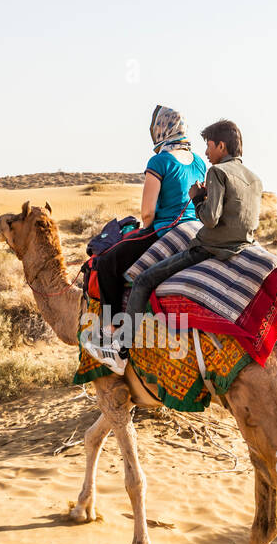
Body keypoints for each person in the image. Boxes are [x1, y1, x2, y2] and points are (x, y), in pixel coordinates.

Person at [86, 105, 205, 373]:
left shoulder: (159, 162)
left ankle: (111, 335)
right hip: (195, 229)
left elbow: (148, 212)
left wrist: (144, 230)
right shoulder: (199, 161)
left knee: (107, 262)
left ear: (161, 129)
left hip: (165, 230)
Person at [122, 119, 262, 346]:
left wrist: (197, 197)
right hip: (244, 246)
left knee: (143, 281)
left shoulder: (217, 172)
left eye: (209, 145)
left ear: (221, 147)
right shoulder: (254, 177)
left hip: (209, 248)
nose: (205, 152)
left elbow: (210, 218)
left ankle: (122, 348)